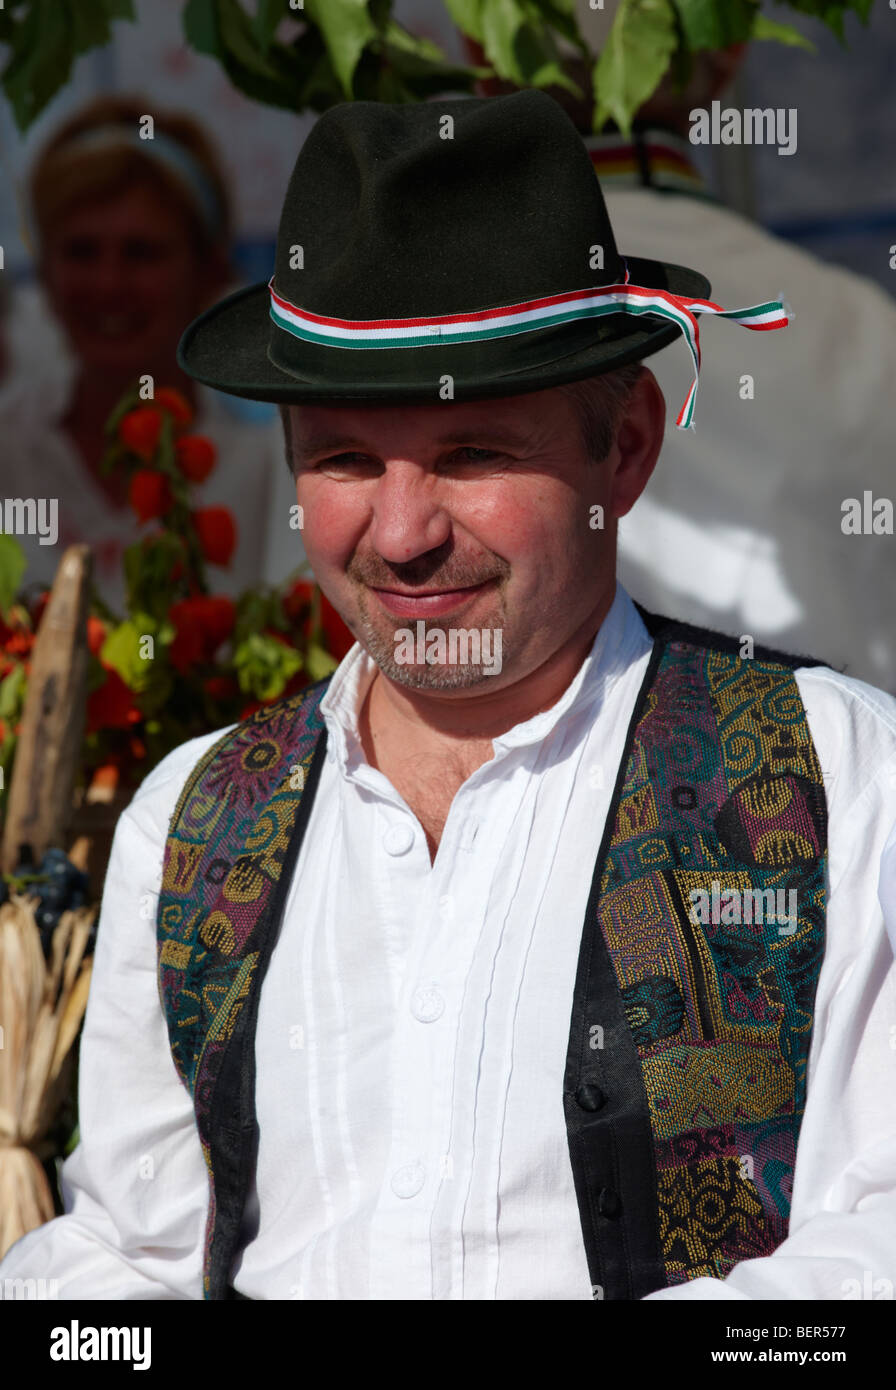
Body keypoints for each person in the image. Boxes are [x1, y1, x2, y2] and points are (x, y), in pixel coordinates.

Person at [2, 91, 895, 1301]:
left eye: (473, 454)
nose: (403, 533)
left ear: (622, 448)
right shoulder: (198, 820)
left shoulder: (836, 781)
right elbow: (131, 1251)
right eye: (345, 461)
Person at [463, 10, 896, 693]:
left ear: (475, 50)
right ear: (729, 55)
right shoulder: (861, 330)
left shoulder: (401, 334)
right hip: (817, 785)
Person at [1, 95, 299, 609]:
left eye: (140, 253)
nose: (108, 283)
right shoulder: (8, 446)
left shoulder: (275, 457)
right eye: (81, 251)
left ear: (208, 269)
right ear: (45, 272)